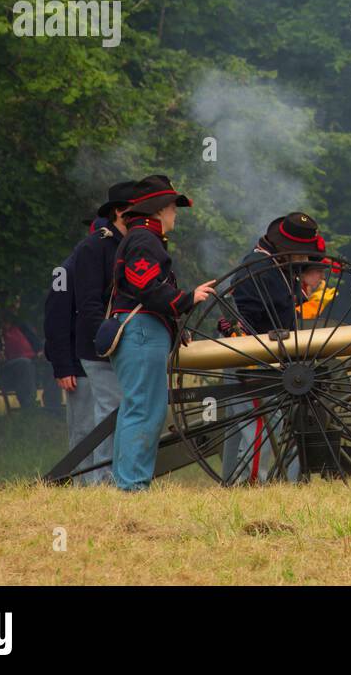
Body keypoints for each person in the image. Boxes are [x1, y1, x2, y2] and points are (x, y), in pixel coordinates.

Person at [107, 175, 215, 491]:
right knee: (145, 410)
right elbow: (147, 288)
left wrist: (176, 326)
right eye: (172, 208)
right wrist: (187, 298)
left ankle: (127, 483)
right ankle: (132, 486)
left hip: (144, 331)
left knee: (139, 408)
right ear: (160, 210)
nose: (175, 214)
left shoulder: (145, 239)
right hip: (141, 332)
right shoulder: (143, 240)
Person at [222, 212, 333, 483]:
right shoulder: (258, 267)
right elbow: (256, 315)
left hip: (265, 357)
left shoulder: (274, 268)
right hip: (252, 358)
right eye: (302, 254)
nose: (304, 260)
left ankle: (235, 483)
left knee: (246, 427)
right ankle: (250, 486)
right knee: (259, 425)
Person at [43, 181, 136, 484]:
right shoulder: (70, 268)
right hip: (77, 360)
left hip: (95, 354)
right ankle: (85, 485)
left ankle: (99, 482)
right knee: (84, 430)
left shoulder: (100, 257)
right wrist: (63, 365)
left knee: (100, 424)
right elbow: (57, 320)